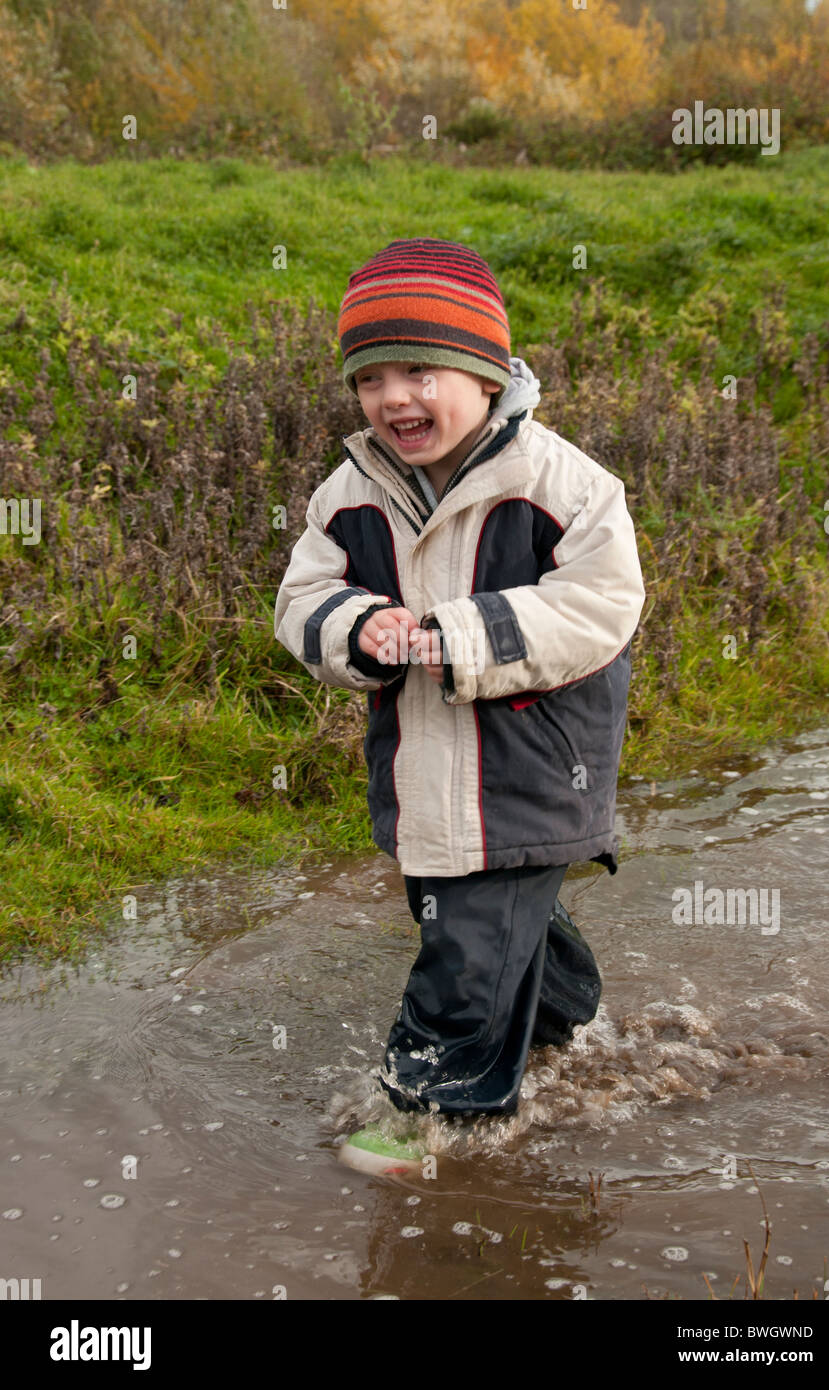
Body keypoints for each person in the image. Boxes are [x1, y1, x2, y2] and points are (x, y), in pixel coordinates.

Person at [274, 237, 645, 1164]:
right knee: (467, 913)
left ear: (484, 374)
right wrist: (356, 627)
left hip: (531, 770)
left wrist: (463, 633)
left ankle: (432, 1116)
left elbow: (602, 605)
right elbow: (300, 598)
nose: (394, 397)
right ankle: (567, 1017)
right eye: (371, 378)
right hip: (425, 772)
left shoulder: (564, 484)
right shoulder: (349, 490)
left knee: (464, 957)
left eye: (420, 370)